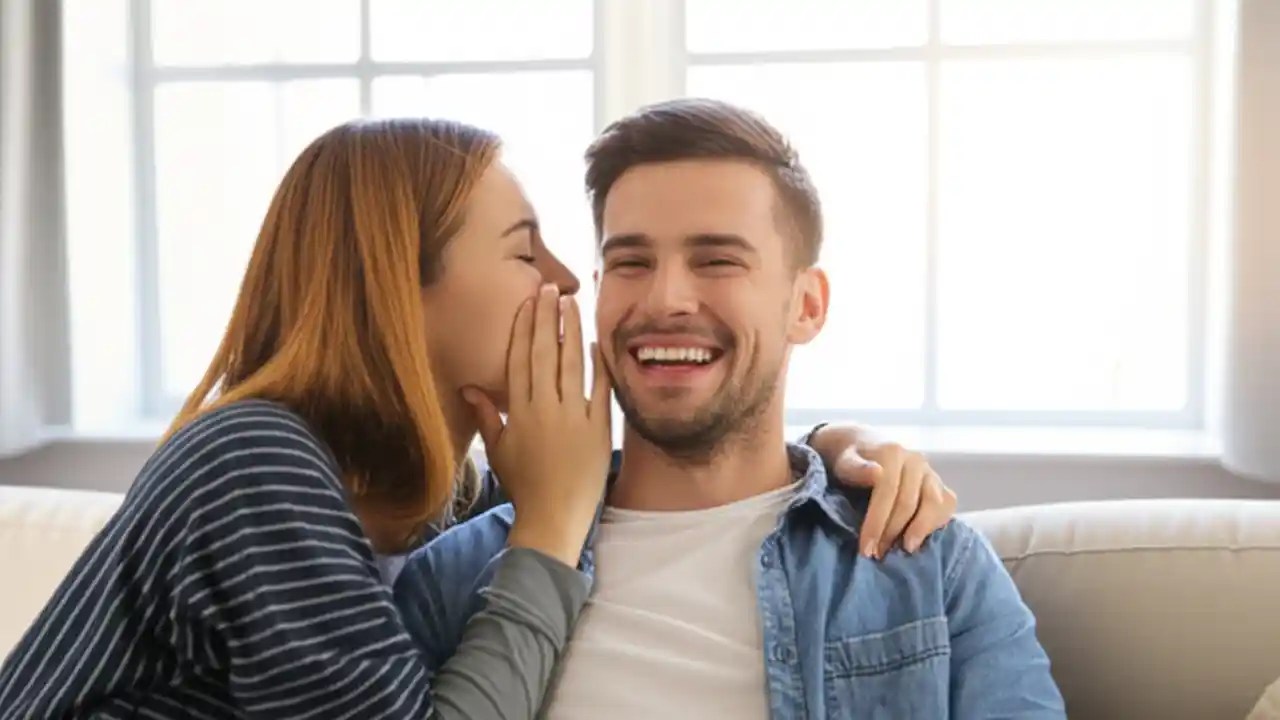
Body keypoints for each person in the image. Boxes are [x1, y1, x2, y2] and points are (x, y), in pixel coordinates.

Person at [0, 117, 955, 719]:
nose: (564, 281)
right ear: (400, 291)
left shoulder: (444, 498)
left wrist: (836, 448)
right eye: (521, 250)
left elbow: (702, 445)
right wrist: (547, 528)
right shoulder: (255, 463)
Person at [394, 99, 1067, 718]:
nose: (665, 300)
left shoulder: (929, 563)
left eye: (716, 260)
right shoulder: (453, 579)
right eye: (631, 263)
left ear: (806, 306)